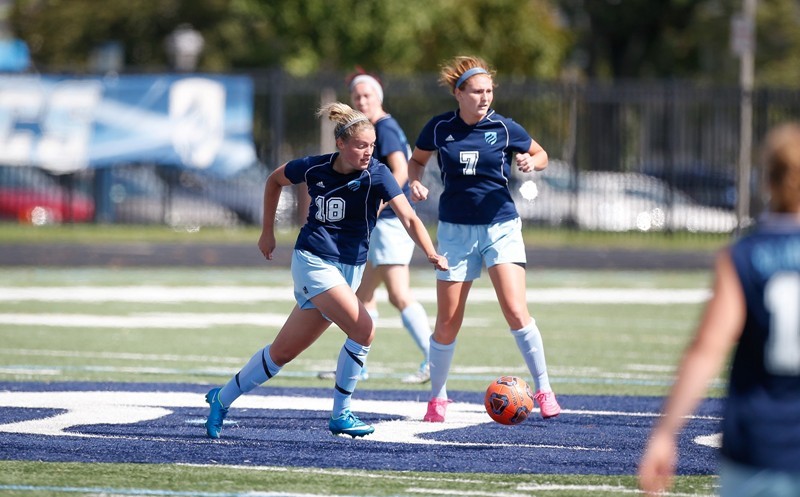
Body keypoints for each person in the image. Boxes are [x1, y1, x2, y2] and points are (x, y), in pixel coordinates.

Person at [204, 102, 448, 439]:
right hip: (313, 262)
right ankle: (341, 414)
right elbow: (275, 180)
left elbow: (408, 216)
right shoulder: (314, 167)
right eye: (361, 145)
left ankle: (222, 397)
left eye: (372, 145)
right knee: (364, 330)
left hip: (350, 270)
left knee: (282, 353)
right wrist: (267, 231)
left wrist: (432, 252)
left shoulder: (377, 173)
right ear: (341, 144)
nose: (368, 152)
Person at [638, 122, 800, 497]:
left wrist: (665, 433)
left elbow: (707, 349)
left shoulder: (745, 256)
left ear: (768, 182)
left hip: (758, 447)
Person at [406, 55, 562, 423]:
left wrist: (530, 163)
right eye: (477, 91)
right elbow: (417, 161)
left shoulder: (505, 128)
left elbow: (541, 154)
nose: (485, 97)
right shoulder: (439, 127)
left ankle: (544, 390)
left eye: (489, 91)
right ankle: (437, 399)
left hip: (501, 227)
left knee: (515, 310)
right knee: (448, 322)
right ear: (459, 93)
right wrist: (414, 180)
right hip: (455, 233)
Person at [317, 69, 433, 384]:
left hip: (389, 225)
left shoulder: (385, 128)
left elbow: (400, 170)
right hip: (377, 226)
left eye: (367, 95)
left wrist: (377, 203)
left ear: (378, 98)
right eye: (356, 97)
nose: (361, 100)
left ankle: (433, 359)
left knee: (398, 294)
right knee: (363, 296)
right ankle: (358, 365)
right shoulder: (371, 128)